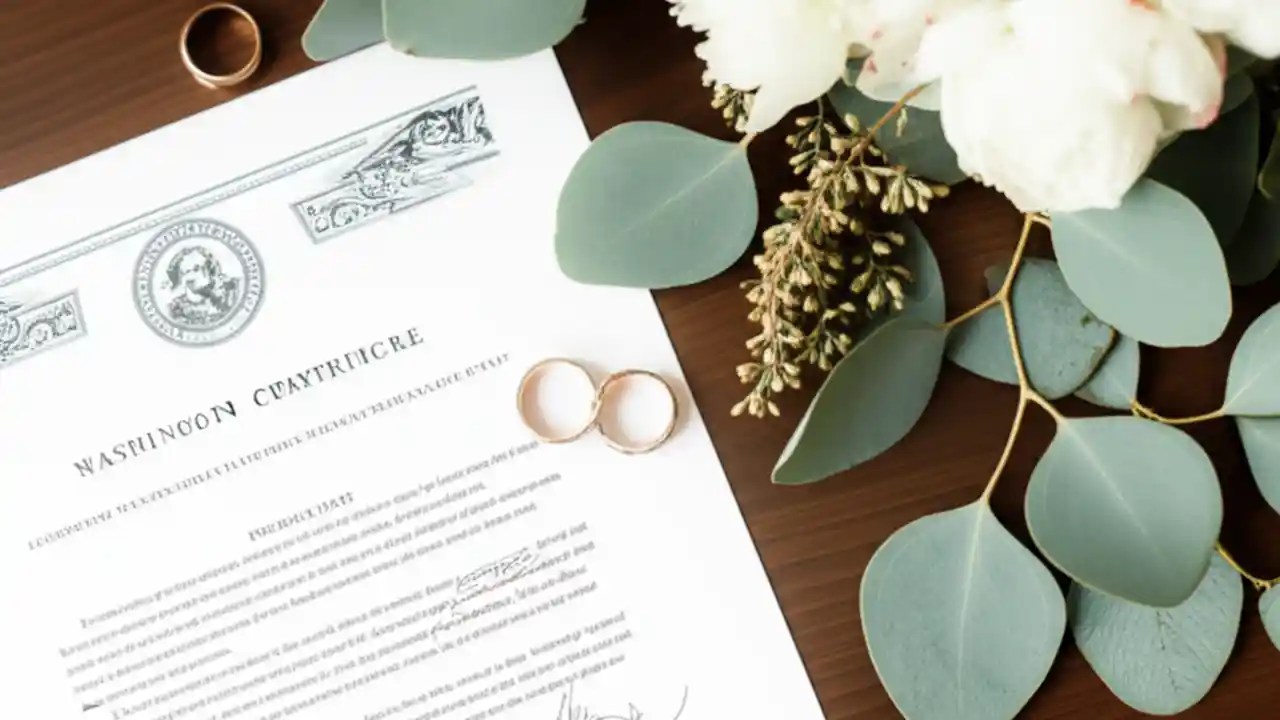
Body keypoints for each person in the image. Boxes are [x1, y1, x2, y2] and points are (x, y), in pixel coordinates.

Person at [165, 245, 240, 326]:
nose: (192, 275)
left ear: (208, 271)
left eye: (196, 269)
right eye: (186, 271)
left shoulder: (225, 301)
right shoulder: (174, 308)